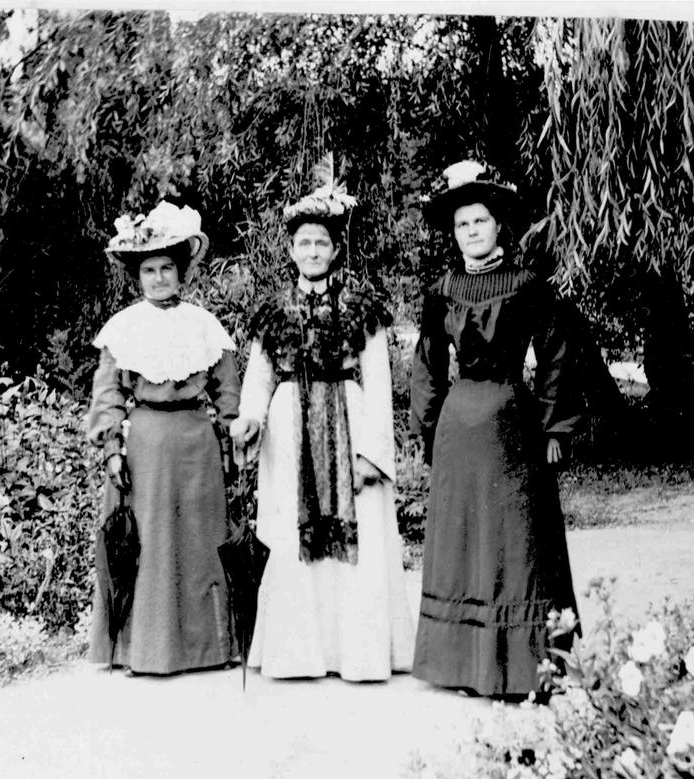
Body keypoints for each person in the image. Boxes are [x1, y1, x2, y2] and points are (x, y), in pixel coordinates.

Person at [229, 169, 415, 682]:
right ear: (290, 250)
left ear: (335, 250)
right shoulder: (274, 311)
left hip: (350, 424)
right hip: (288, 436)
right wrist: (250, 420)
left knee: (360, 537)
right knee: (290, 537)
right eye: (303, 243)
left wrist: (371, 453)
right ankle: (298, 655)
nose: (312, 251)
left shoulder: (361, 306)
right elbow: (259, 377)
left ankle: (358, 655)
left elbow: (377, 381)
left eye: (321, 243)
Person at [409, 160, 581, 700]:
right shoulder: (442, 289)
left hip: (511, 421)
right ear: (453, 232)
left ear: (498, 225)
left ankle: (526, 668)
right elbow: (428, 362)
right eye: (462, 225)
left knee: (516, 541)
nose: (472, 232)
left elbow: (555, 353)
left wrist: (555, 426)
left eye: (480, 221)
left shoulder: (529, 286)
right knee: (463, 539)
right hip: (459, 426)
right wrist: (430, 427)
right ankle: (461, 664)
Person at [85, 201, 240, 674]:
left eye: (166, 268)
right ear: (138, 277)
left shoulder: (204, 326)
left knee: (199, 541)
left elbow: (228, 389)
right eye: (149, 270)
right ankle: (143, 651)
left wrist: (230, 440)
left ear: (181, 272)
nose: (158, 279)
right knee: (148, 545)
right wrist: (112, 447)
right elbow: (108, 393)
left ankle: (207, 650)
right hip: (146, 445)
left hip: (196, 444)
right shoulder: (124, 329)